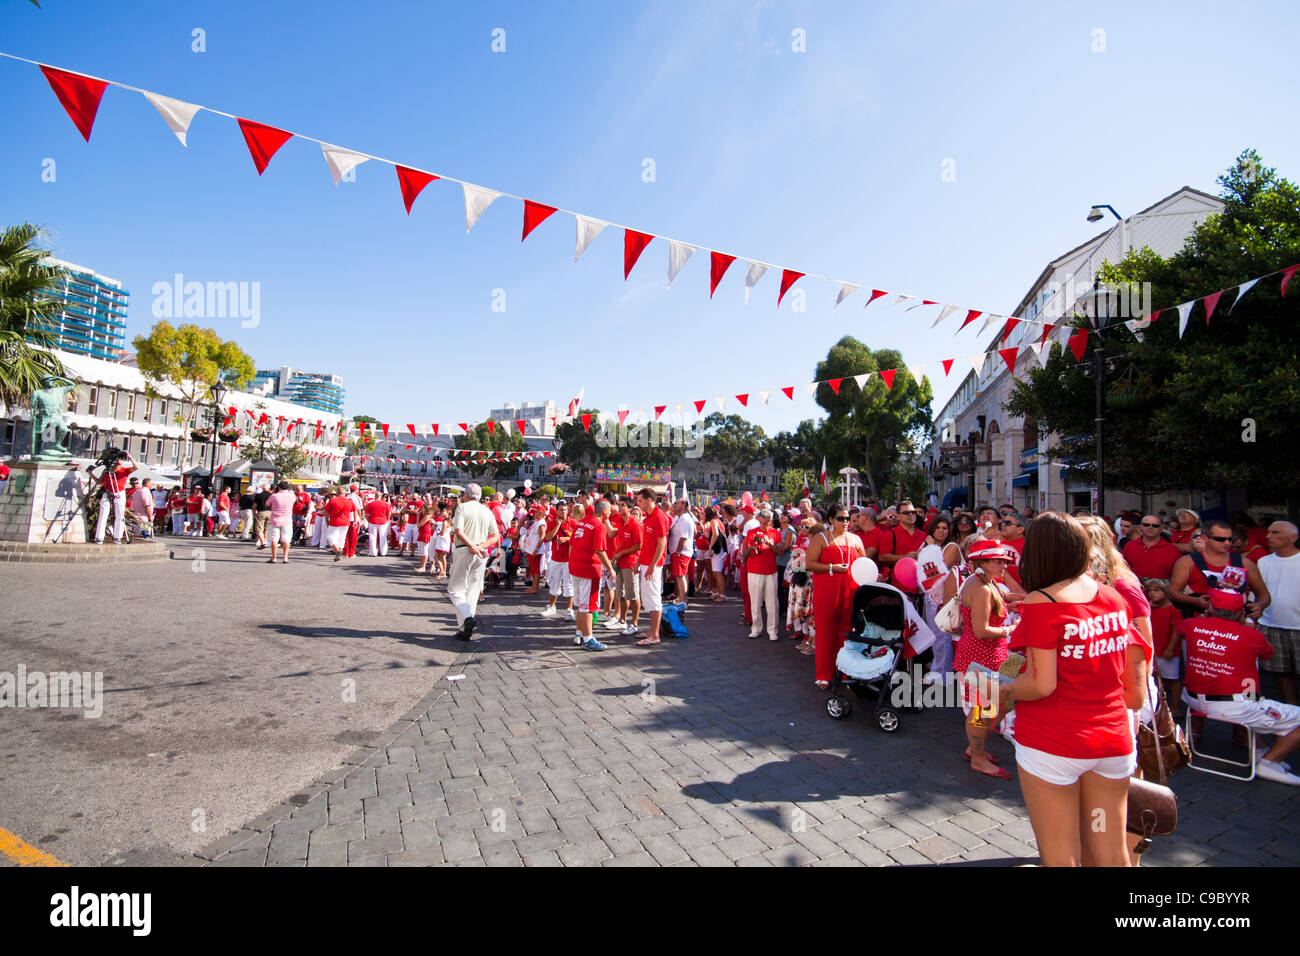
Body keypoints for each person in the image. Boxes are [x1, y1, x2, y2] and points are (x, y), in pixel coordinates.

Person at [998, 512, 1148, 867]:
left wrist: (999, 691)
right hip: (1111, 738)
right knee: (1111, 852)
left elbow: (1040, 683)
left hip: (1055, 740)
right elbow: (1131, 685)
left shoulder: (1042, 602)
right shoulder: (1113, 597)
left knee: (1061, 853)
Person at [1179, 590, 1300, 785]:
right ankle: (1270, 763)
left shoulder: (1190, 625)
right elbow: (1268, 655)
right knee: (1256, 698)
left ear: (1210, 608)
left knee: (1252, 693)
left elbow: (1183, 630)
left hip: (1193, 700)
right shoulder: (1252, 635)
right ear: (1242, 613)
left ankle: (1260, 750)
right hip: (1232, 707)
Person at [952, 540, 1020, 779]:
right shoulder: (980, 587)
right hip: (979, 656)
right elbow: (981, 630)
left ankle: (975, 750)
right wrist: (1010, 629)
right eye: (998, 561)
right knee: (981, 712)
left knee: (990, 709)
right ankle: (978, 758)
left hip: (986, 656)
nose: (1004, 565)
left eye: (1005, 560)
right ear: (982, 562)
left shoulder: (984, 583)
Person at [805, 506, 866, 689]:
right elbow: (809, 564)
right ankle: (824, 674)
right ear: (831, 520)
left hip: (851, 592)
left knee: (848, 632)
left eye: (847, 518)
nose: (845, 522)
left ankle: (846, 672)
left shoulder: (855, 539)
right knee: (825, 633)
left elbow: (863, 563)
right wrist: (832, 568)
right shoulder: (821, 538)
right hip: (827, 592)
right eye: (841, 518)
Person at [1169, 518, 1270, 618]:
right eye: (1220, 539)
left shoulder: (1245, 563)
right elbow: (1173, 592)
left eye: (1229, 539)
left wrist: (1259, 606)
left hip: (1235, 623)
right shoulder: (1187, 562)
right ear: (1205, 538)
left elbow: (1264, 595)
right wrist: (1195, 601)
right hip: (1200, 623)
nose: (1227, 543)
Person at [448, 483, 499, 641]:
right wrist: (480, 546)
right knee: (472, 590)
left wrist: (473, 546)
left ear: (466, 496)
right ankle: (463, 627)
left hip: (465, 549)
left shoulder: (462, 508)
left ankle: (467, 618)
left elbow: (459, 531)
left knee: (456, 590)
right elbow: (495, 536)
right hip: (480, 553)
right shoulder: (487, 510)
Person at [1257, 522, 1300, 705]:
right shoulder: (1264, 561)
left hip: (1298, 625)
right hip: (1271, 624)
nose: (1268, 536)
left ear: (1293, 537)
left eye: (1275, 533)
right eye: (1268, 532)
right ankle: (1291, 712)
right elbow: (1259, 592)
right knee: (1282, 672)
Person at [634, 488, 670, 646]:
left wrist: (652, 565)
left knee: (654, 598)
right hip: (646, 563)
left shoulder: (659, 517)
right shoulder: (649, 517)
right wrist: (638, 562)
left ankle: (655, 635)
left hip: (653, 565)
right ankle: (651, 630)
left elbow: (662, 543)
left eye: (640, 501)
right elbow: (647, 544)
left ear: (649, 500)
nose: (638, 504)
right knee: (647, 598)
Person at [1145, 579, 1183, 714]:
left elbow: (1176, 631)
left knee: (1172, 680)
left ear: (1165, 592)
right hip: (1154, 649)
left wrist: (1170, 649)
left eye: (1156, 590)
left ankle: (1176, 707)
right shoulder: (1151, 608)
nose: (1152, 594)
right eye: (1149, 591)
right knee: (1155, 678)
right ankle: (1159, 707)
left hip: (1167, 651)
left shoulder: (1173, 610)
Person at [744, 507, 782, 641]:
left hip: (770, 571)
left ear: (770, 521)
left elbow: (779, 552)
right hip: (754, 570)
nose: (762, 525)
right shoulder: (751, 532)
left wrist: (770, 543)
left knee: (772, 602)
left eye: (765, 523)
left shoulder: (776, 533)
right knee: (755, 601)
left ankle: (772, 630)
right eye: (761, 522)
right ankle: (756, 628)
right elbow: (745, 552)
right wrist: (752, 547)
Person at [609, 499, 643, 637]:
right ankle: (622, 619)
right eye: (620, 505)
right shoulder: (621, 524)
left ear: (629, 509)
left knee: (633, 594)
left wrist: (621, 553)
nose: (620, 507)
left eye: (623, 505)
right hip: (621, 563)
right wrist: (614, 557)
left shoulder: (635, 524)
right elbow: (620, 543)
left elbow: (639, 545)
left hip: (630, 563)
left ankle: (634, 623)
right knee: (620, 593)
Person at [92, 450, 137, 544]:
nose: (120, 460)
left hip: (119, 492)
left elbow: (136, 467)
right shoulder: (107, 471)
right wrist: (90, 474)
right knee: (103, 513)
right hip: (107, 492)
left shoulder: (124, 470)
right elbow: (100, 482)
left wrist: (130, 457)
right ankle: (99, 537)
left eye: (121, 458)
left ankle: (118, 537)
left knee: (120, 515)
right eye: (118, 458)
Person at [1123, 515, 1183, 582]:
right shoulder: (1129, 546)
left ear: (1161, 529)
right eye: (1146, 525)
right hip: (1135, 590)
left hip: (1163, 590)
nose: (1150, 527)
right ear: (1140, 527)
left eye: (1155, 526)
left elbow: (1179, 576)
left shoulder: (1173, 550)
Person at [668, 499, 696, 604]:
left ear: (683, 506)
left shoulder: (684, 518)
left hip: (681, 553)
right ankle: (681, 598)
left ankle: (683, 601)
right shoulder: (679, 518)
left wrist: (678, 551)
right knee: (679, 576)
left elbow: (683, 537)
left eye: (677, 503)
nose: (674, 505)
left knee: (681, 576)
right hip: (678, 552)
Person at [266, 480, 296, 564]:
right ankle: (285, 558)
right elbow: (294, 500)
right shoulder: (292, 496)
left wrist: (275, 492)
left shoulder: (274, 496)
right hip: (287, 520)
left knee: (274, 539)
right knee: (286, 539)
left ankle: (274, 558)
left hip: (275, 520)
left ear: (278, 487)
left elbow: (267, 504)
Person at [253, 483, 272, 549]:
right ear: (268, 488)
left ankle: (262, 542)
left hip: (261, 512)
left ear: (262, 488)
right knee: (266, 528)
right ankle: (265, 541)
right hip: (269, 512)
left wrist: (254, 512)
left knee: (259, 528)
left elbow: (255, 505)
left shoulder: (258, 495)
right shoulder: (271, 495)